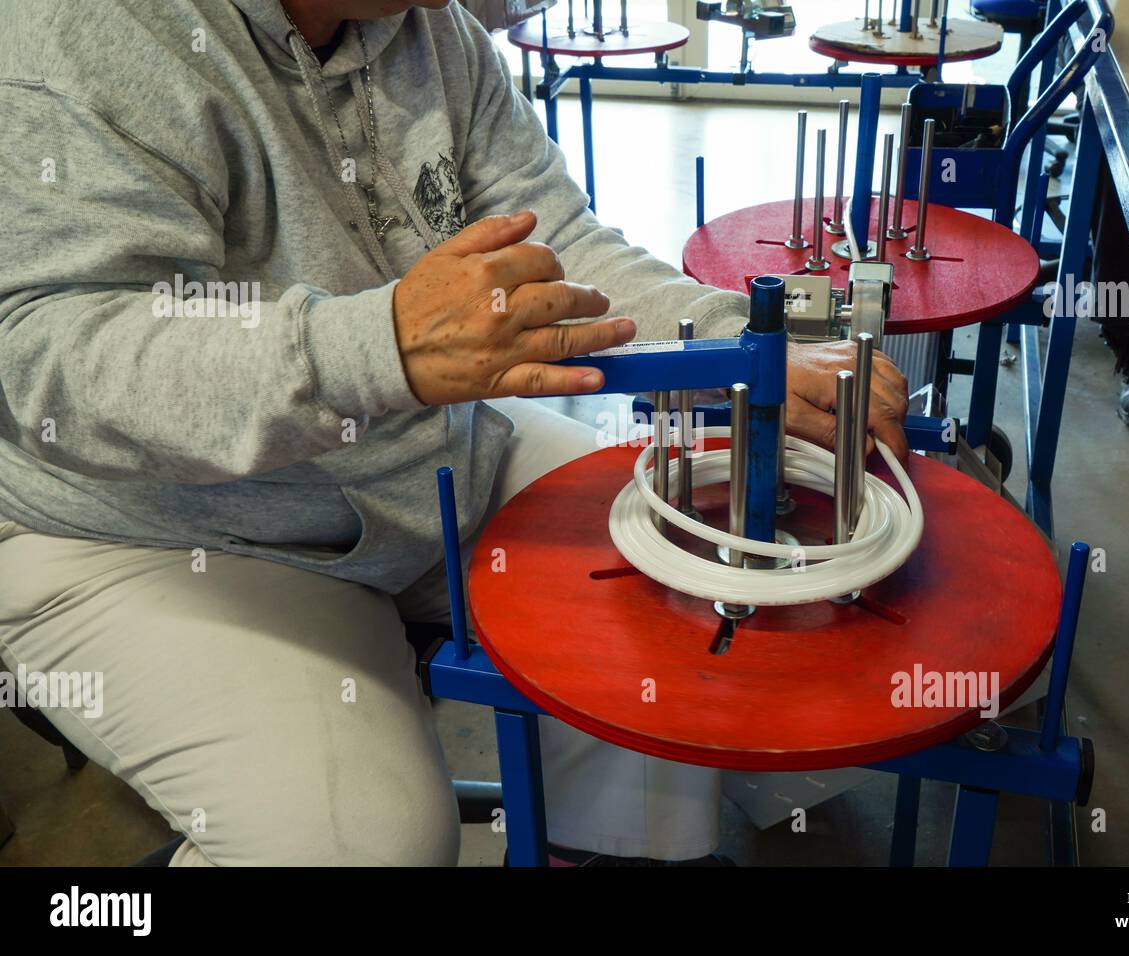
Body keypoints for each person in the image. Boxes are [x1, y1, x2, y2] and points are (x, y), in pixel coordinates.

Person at [0, 0, 908, 865]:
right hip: (154, 527)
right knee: (354, 846)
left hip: (413, 447)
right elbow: (50, 361)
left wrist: (734, 348)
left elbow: (556, 250)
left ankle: (602, 847)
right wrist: (375, 347)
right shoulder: (83, 37)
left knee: (677, 559)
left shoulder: (428, 29)